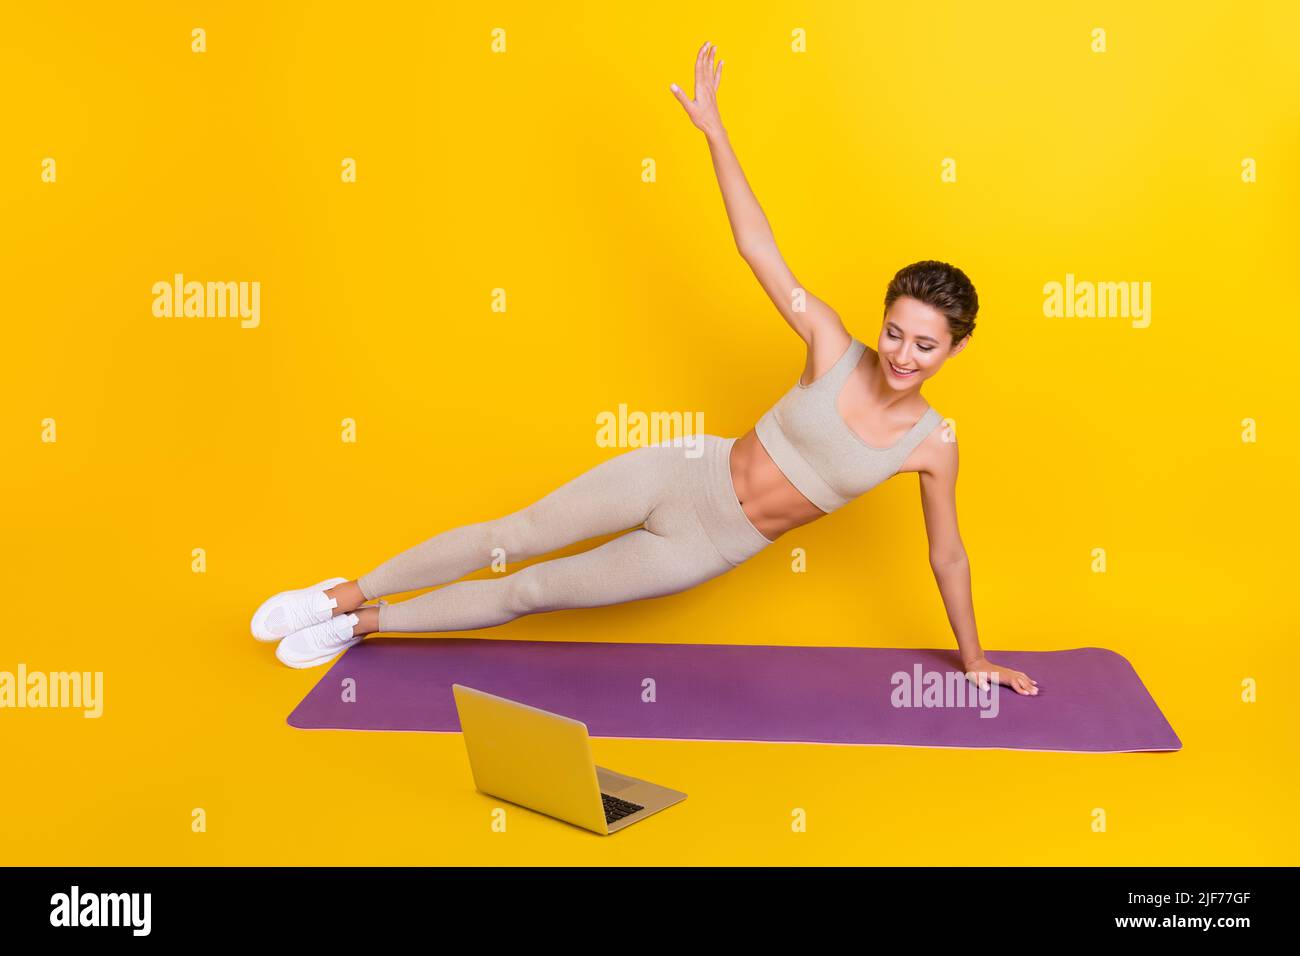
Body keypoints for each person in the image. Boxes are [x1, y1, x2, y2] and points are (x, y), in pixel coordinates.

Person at [251, 41, 1037, 697]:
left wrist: (971, 659)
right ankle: (342, 590)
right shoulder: (831, 345)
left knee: (530, 593)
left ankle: (360, 627)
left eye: (923, 346)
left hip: (706, 546)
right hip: (682, 472)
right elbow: (758, 250)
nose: (901, 354)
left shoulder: (935, 443)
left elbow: (948, 555)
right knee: (514, 535)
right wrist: (716, 136)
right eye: (896, 331)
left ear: (956, 351)